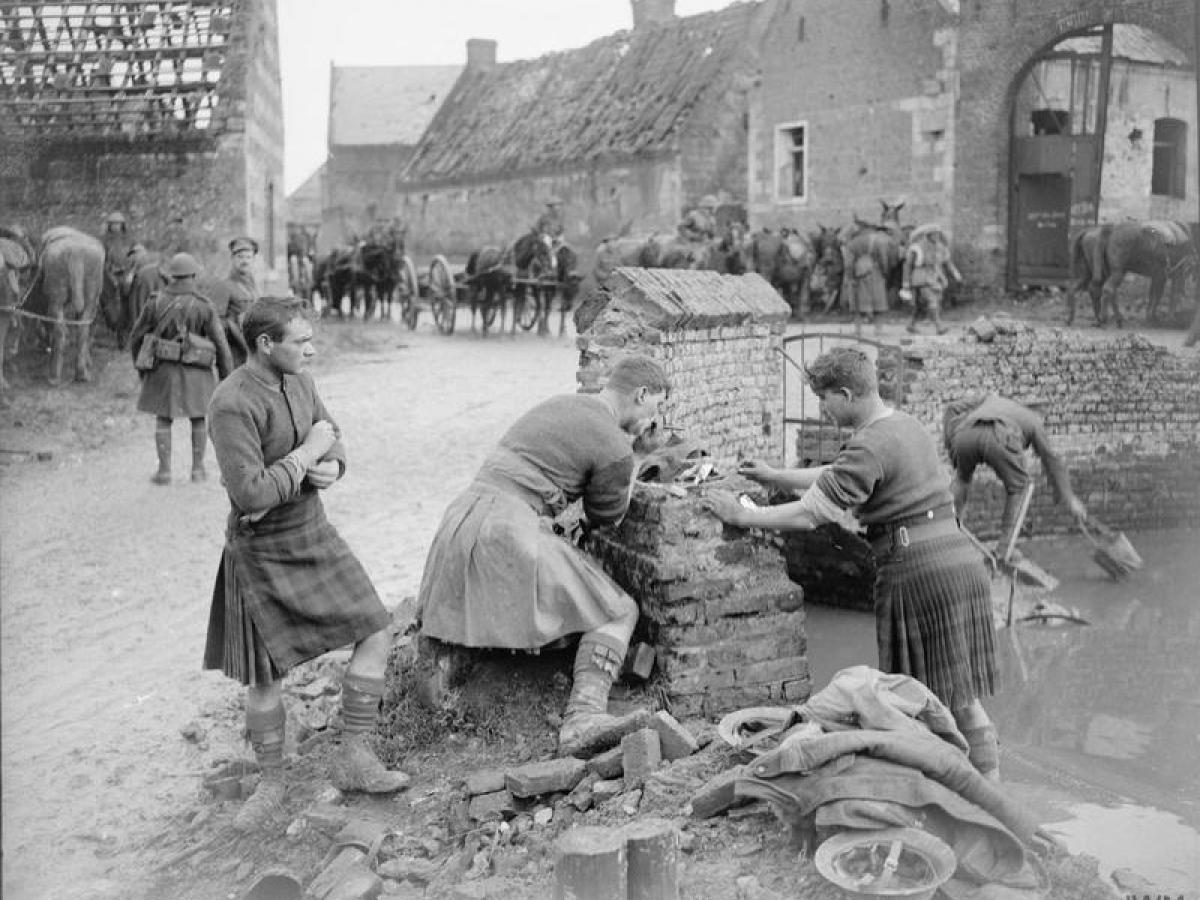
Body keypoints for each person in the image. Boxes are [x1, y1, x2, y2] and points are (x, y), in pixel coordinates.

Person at [703, 347, 1002, 780]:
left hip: (920, 570)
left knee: (928, 698)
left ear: (845, 394)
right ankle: (986, 786)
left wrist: (742, 516)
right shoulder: (903, 426)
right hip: (956, 558)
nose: (823, 410)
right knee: (961, 694)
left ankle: (969, 789)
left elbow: (811, 514)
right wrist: (776, 476)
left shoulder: (869, 444)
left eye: (824, 399)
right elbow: (840, 473)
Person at [204, 297, 410, 832]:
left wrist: (331, 465)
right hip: (260, 548)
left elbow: (330, 434)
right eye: (301, 341)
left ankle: (355, 756)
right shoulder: (230, 404)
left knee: (376, 629)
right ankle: (271, 783)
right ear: (265, 344)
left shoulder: (300, 380)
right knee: (264, 675)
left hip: (311, 530)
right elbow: (251, 495)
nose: (311, 350)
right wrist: (304, 456)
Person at [415, 355, 671, 757]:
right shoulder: (614, 444)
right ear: (640, 395)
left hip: (463, 518)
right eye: (656, 405)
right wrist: (637, 455)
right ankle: (583, 718)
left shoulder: (562, 404)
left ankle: (432, 698)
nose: (654, 417)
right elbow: (607, 517)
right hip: (507, 527)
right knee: (619, 611)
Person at [129, 252, 234, 485]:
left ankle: (164, 472)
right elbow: (221, 346)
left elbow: (135, 337)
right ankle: (198, 471)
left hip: (162, 371)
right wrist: (225, 378)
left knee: (163, 419)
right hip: (197, 372)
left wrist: (141, 367)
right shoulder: (204, 305)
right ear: (194, 275)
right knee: (198, 419)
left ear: (171, 275)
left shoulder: (155, 302)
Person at [943, 395, 1088, 556]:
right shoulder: (1033, 421)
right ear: (1037, 411)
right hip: (998, 437)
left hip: (964, 435)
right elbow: (1050, 459)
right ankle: (1004, 550)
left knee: (962, 479)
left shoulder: (992, 399)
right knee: (1021, 487)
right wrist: (1069, 498)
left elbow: (951, 408)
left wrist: (951, 445)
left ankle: (949, 533)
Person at [204, 236, 257, 366]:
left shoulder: (254, 288)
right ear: (232, 259)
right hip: (234, 354)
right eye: (240, 257)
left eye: (248, 257)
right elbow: (214, 324)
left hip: (253, 353)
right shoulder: (223, 286)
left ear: (253, 260)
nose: (245, 261)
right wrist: (234, 325)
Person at [899, 224, 961, 335]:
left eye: (938, 234)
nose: (936, 237)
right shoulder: (917, 247)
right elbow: (907, 265)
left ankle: (911, 325)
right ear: (928, 235)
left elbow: (947, 262)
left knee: (920, 305)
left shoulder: (940, 247)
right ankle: (939, 327)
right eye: (934, 234)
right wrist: (906, 282)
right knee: (932, 300)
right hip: (921, 278)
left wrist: (955, 273)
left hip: (935, 277)